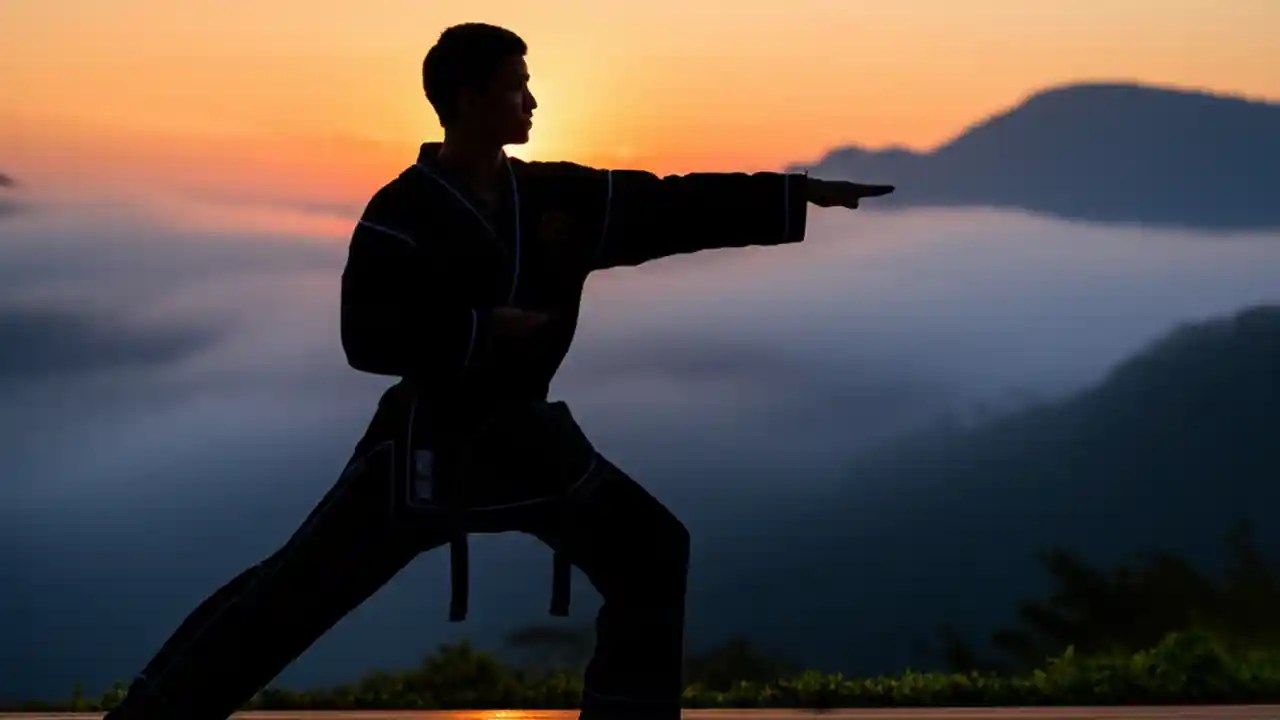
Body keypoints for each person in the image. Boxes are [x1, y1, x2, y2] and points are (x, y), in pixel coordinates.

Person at [106, 22, 893, 720]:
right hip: (427, 449)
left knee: (653, 552)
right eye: (519, 86)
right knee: (289, 593)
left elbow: (670, 205)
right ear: (469, 98)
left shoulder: (556, 197)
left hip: (528, 438)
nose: (533, 103)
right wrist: (478, 332)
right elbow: (364, 337)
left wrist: (796, 195)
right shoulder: (400, 210)